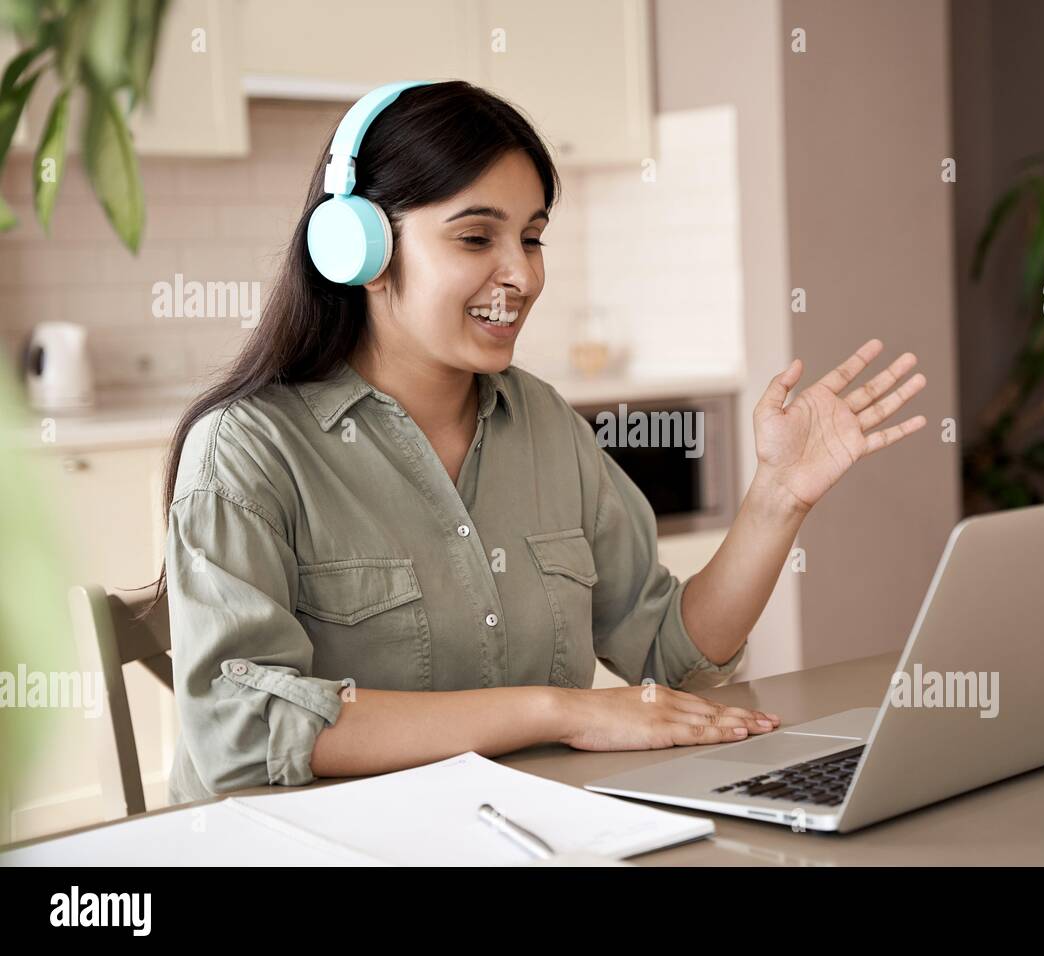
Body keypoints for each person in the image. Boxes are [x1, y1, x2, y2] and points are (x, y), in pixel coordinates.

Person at [152, 81, 927, 804]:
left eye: (532, 237)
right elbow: (243, 731)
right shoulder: (247, 449)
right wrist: (558, 710)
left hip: (517, 827)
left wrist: (776, 498)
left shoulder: (545, 424)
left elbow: (673, 661)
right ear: (358, 249)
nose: (519, 274)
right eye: (476, 238)